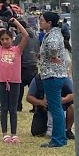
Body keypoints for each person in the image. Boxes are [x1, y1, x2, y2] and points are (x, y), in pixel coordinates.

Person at [0, 17, 29, 144]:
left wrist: (15, 23)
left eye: (7, 39)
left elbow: (26, 35)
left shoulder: (17, 50)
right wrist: (2, 28)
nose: (5, 41)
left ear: (12, 39)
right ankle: (5, 133)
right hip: (1, 81)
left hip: (15, 82)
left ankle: (14, 133)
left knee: (13, 109)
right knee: (4, 108)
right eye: (2, 39)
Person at [38, 11, 70, 148]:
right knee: (56, 108)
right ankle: (60, 137)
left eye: (42, 20)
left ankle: (58, 139)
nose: (40, 22)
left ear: (49, 22)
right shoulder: (55, 34)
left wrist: (52, 56)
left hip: (52, 75)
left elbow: (53, 47)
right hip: (55, 74)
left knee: (55, 108)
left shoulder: (53, 35)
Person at [16, 15, 40, 111]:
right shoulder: (35, 37)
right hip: (33, 64)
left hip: (23, 65)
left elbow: (15, 50)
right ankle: (35, 107)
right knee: (34, 88)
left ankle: (18, 106)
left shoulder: (20, 37)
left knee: (19, 88)